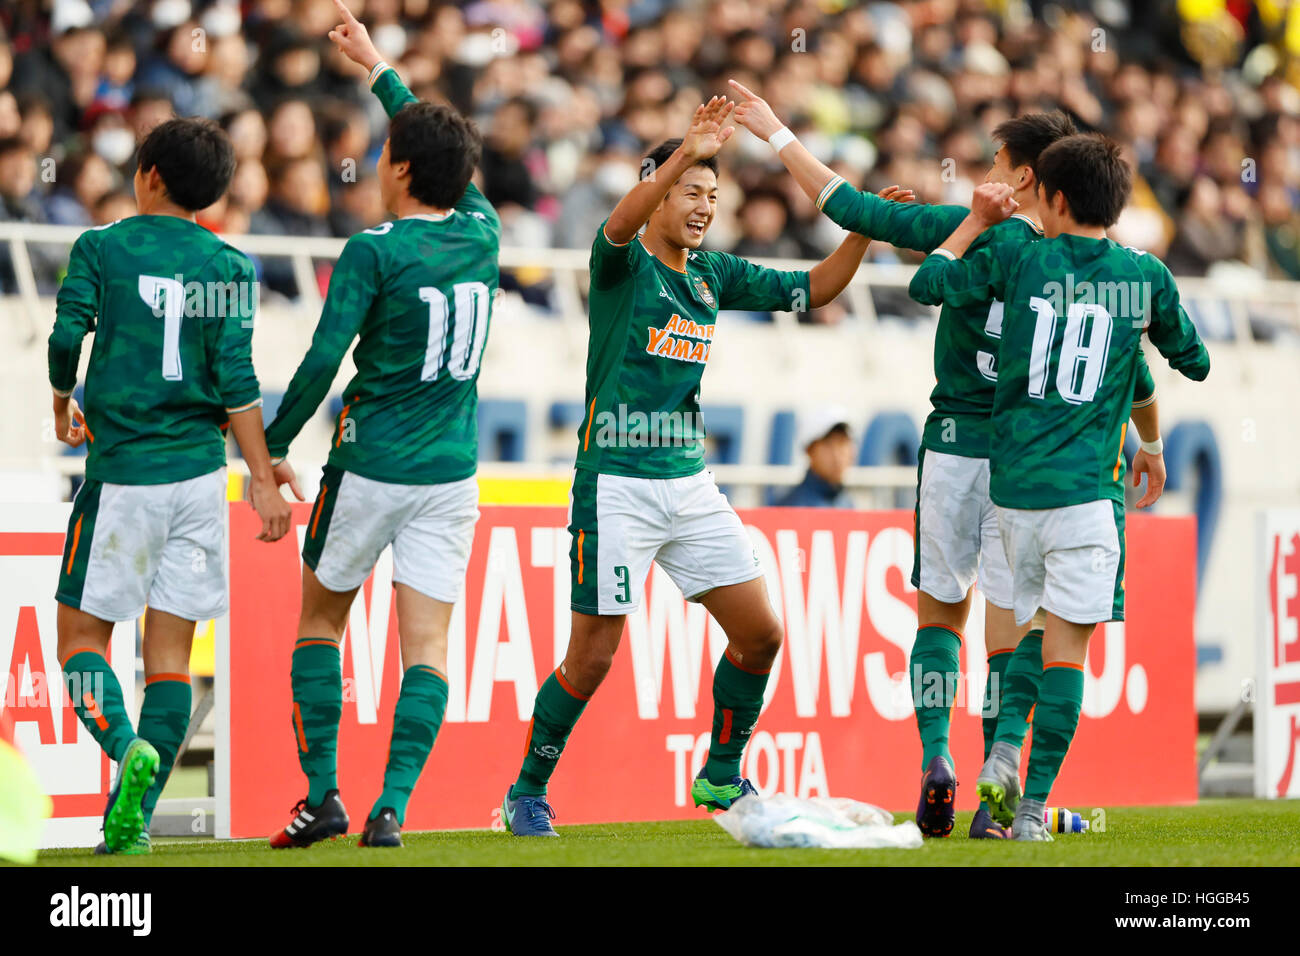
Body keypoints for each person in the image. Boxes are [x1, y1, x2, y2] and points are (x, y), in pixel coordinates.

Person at [729, 84, 1166, 839]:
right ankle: (1002, 796)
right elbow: (1138, 374)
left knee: (940, 614)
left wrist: (775, 133)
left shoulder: (977, 232)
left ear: (1028, 178)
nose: (979, 173)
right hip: (1034, 467)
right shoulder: (1095, 270)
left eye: (994, 160)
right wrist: (1147, 444)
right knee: (1018, 631)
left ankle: (936, 757)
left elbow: (848, 206)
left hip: (958, 445)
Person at [501, 95, 873, 837]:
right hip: (615, 484)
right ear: (659, 192)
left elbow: (815, 288)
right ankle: (525, 792)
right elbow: (615, 223)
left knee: (762, 633)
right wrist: (682, 150)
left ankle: (720, 774)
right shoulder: (621, 265)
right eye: (691, 192)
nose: (704, 207)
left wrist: (863, 230)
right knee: (592, 657)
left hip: (688, 483)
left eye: (713, 195)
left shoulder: (714, 274)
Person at [909, 134, 1210, 840]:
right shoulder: (1143, 276)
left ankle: (1004, 749)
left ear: (1057, 198)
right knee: (1064, 649)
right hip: (1085, 496)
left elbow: (928, 284)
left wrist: (977, 221)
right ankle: (1033, 807)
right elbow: (1191, 362)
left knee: (1030, 626)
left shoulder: (1016, 254)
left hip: (1013, 497)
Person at [263, 0, 499, 850]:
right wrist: (378, 68)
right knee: (426, 648)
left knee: (320, 623)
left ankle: (323, 793)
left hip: (369, 467)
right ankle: (393, 806)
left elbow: (323, 361)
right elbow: (448, 154)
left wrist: (272, 447)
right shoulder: (484, 233)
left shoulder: (374, 250)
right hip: (451, 475)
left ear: (394, 167)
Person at [49, 117, 291, 855]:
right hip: (197, 479)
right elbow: (238, 383)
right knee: (170, 661)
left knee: (79, 642)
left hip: (125, 475)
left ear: (148, 174)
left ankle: (127, 753)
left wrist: (63, 399)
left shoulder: (104, 246)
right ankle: (133, 824)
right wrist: (262, 475)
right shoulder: (229, 267)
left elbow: (66, 338)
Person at [776, 406, 856, 508]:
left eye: (842, 443)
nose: (837, 455)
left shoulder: (847, 503)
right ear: (809, 450)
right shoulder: (792, 507)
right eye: (828, 445)